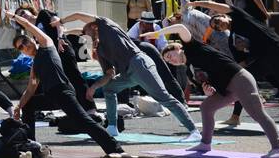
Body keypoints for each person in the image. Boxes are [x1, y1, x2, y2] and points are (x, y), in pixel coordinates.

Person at [144, 24, 279, 158]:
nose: (171, 60)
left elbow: (181, 28)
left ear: (178, 48)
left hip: (240, 79)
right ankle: (205, 144)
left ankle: (277, 148)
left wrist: (156, 33)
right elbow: (209, 89)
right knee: (206, 107)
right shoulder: (191, 73)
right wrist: (208, 92)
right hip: (228, 89)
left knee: (257, 113)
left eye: (170, 56)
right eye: (169, 61)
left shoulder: (192, 47)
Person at [61, 12, 198, 140]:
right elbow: (110, 74)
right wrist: (94, 87)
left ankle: (194, 131)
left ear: (95, 26)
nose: (87, 36)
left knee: (164, 98)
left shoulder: (107, 26)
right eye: (85, 34)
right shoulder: (101, 50)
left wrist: (61, 21)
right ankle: (112, 127)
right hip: (128, 73)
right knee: (109, 89)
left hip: (140, 64)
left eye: (88, 32)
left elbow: (78, 15)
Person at [11, 14, 125, 158]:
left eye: (25, 42)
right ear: (22, 52)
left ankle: (116, 149)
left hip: (63, 92)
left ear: (31, 40)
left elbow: (27, 24)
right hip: (51, 96)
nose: (25, 46)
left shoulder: (47, 45)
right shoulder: (35, 65)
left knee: (85, 122)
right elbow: (31, 88)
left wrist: (14, 16)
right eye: (21, 47)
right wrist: (18, 106)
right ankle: (32, 146)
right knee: (28, 104)